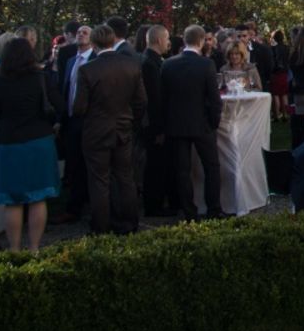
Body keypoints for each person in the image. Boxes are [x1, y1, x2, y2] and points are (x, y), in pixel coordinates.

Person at [0, 37, 62, 252]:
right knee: (38, 198)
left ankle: (14, 248)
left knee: (13, 201)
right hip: (39, 140)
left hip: (10, 142)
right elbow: (59, 104)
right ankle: (34, 247)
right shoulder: (41, 78)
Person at [73, 23, 146, 234]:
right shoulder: (131, 65)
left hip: (96, 131)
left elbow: (79, 107)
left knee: (99, 181)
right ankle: (129, 223)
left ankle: (101, 227)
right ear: (113, 40)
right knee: (125, 177)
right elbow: (141, 101)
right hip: (123, 129)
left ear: (94, 43)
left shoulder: (87, 70)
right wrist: (131, 120)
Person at [161, 24, 226, 221]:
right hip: (202, 124)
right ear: (201, 41)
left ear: (184, 40)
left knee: (182, 171)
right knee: (211, 167)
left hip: (176, 124)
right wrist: (214, 123)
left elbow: (163, 97)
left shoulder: (168, 64)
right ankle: (213, 208)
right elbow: (214, 99)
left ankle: (189, 211)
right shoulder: (206, 65)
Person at [52, 24, 93, 224]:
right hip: (71, 120)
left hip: (89, 121)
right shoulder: (70, 61)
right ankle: (74, 208)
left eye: (85, 32)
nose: (81, 34)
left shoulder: (96, 60)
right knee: (74, 165)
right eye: (79, 32)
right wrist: (60, 119)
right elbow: (64, 89)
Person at [141, 25, 177, 217]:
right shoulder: (149, 64)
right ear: (159, 40)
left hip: (155, 123)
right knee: (156, 166)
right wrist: (159, 129)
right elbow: (155, 99)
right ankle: (153, 205)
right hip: (155, 126)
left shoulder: (151, 60)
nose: (169, 43)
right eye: (167, 38)